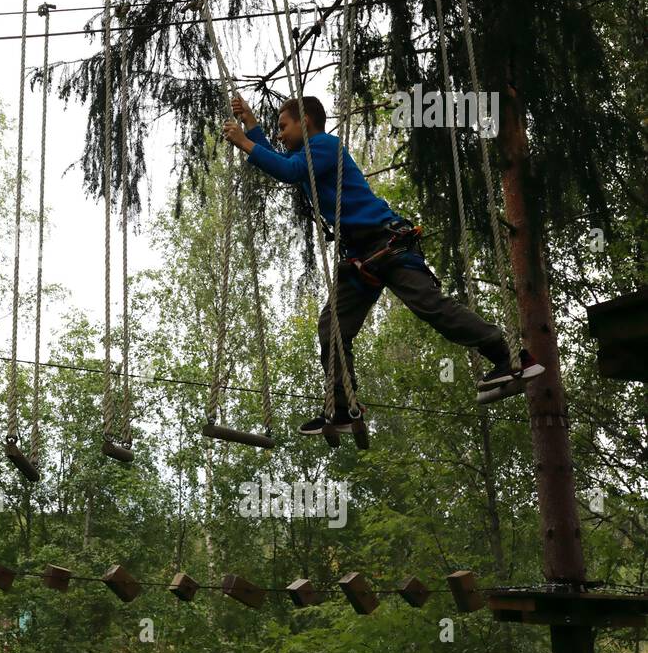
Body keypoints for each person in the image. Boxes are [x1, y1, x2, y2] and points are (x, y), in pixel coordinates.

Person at [220, 93, 543, 435]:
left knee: (431, 306)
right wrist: (251, 126)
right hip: (362, 257)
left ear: (306, 122)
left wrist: (243, 141)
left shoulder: (326, 147)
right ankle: (343, 408)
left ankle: (511, 357)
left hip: (386, 243)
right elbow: (282, 162)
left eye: (283, 127)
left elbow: (288, 169)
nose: (280, 135)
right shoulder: (307, 159)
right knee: (332, 327)